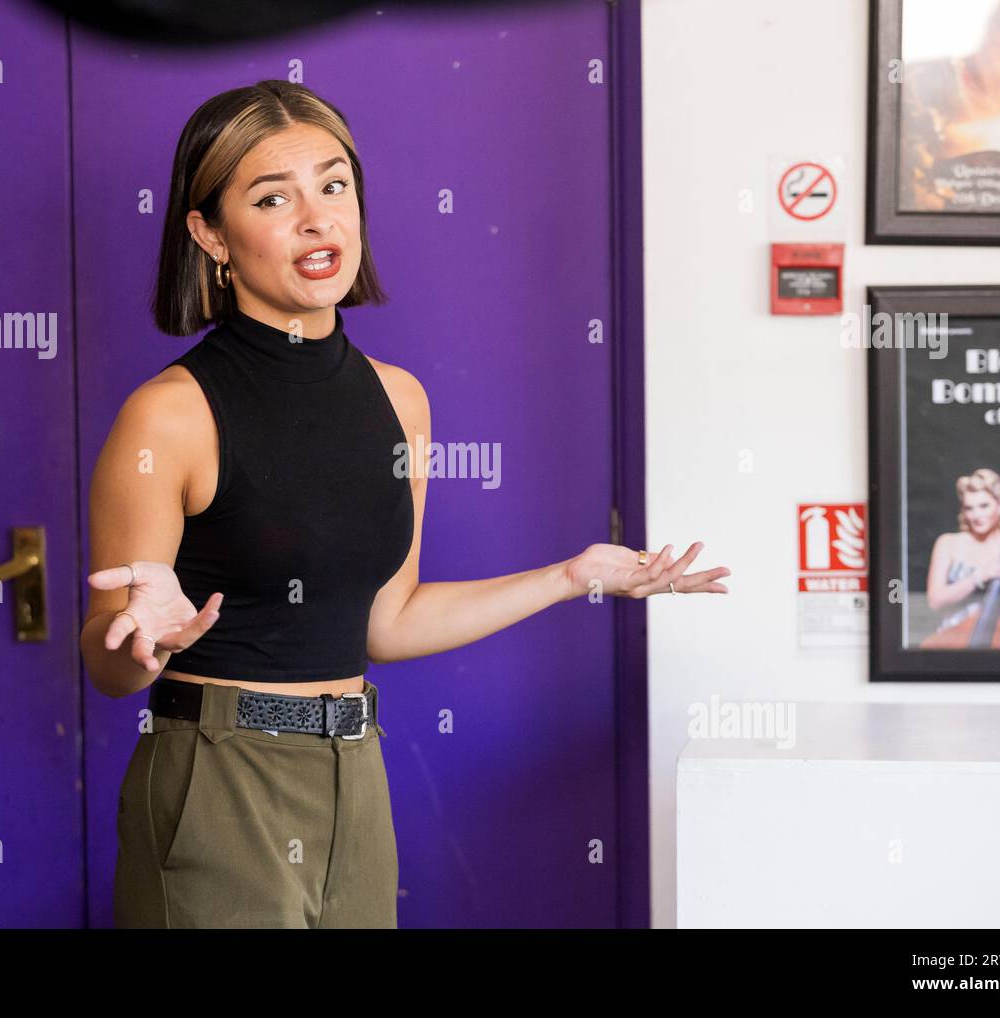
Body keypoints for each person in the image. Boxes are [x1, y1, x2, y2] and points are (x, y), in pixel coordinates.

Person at [79, 80, 731, 929]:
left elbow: (389, 622)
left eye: (334, 185)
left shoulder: (401, 401)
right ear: (210, 235)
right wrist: (147, 644)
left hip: (357, 767)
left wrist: (575, 576)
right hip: (218, 773)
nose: (319, 220)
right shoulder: (169, 414)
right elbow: (105, 664)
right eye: (274, 198)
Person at [925, 466, 1000, 647]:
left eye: (984, 506)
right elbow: (935, 601)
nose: (976, 515)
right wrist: (981, 576)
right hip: (950, 641)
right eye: (969, 508)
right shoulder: (947, 543)